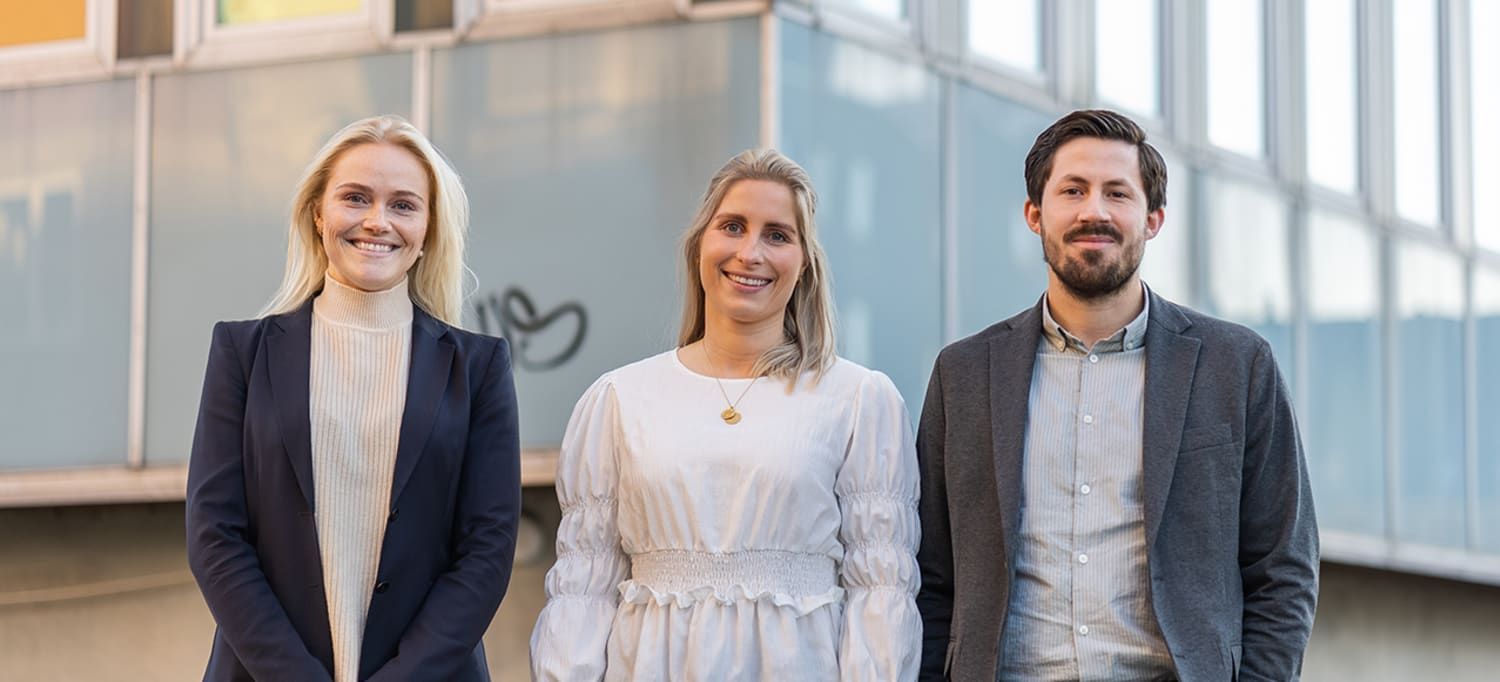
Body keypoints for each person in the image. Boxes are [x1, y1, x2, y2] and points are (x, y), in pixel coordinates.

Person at [915, 109, 1318, 681]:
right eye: (1072, 190)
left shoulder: (1237, 365)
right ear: (1035, 214)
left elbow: (1283, 567)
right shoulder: (964, 373)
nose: (1094, 211)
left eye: (1117, 193)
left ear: (1152, 219)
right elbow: (931, 577)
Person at [529, 149, 921, 681]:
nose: (750, 252)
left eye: (777, 235)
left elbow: (881, 588)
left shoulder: (858, 400)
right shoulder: (619, 398)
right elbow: (584, 586)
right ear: (699, 247)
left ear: (804, 261)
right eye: (733, 226)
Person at [186, 115, 521, 682]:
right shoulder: (242, 352)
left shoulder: (480, 367)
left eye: (403, 205)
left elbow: (486, 550)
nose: (377, 221)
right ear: (318, 213)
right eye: (356, 198)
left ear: (428, 229)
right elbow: (214, 534)